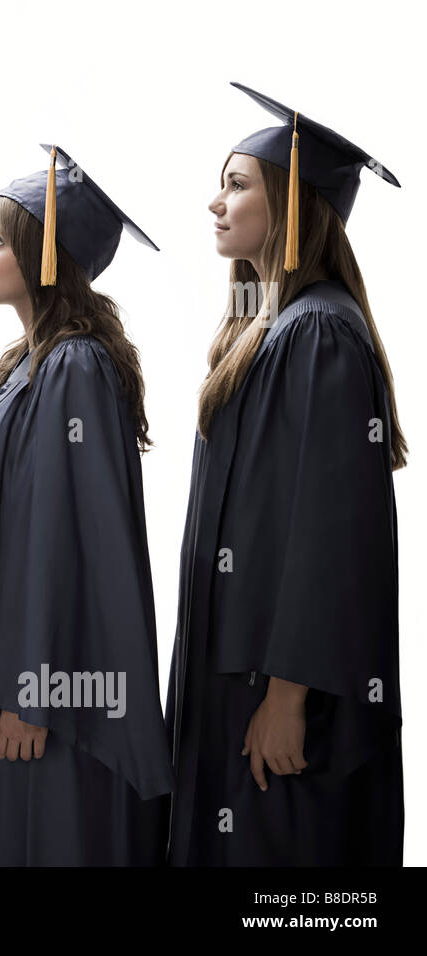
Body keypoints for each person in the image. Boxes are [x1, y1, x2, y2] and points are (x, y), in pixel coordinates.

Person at [165, 83, 406, 865]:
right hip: (233, 681)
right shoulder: (269, 331)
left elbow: (330, 529)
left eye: (236, 185)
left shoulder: (321, 334)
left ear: (294, 205)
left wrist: (289, 693)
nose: (215, 203)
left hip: (278, 698)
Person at [0, 145, 174, 865]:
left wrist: (32, 689)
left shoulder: (74, 366)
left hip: (47, 699)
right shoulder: (31, 361)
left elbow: (66, 538)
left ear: (45, 257)